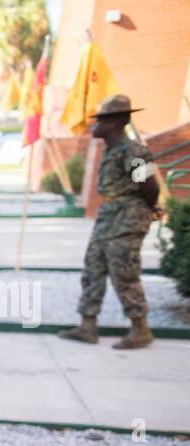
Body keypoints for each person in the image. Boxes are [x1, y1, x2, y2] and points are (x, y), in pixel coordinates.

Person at [58, 95, 161, 349]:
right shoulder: (112, 150)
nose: (94, 125)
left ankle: (140, 329)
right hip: (108, 219)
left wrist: (146, 209)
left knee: (124, 273)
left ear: (116, 123)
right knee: (93, 269)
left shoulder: (133, 152)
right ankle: (87, 326)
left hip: (127, 220)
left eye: (101, 121)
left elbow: (149, 186)